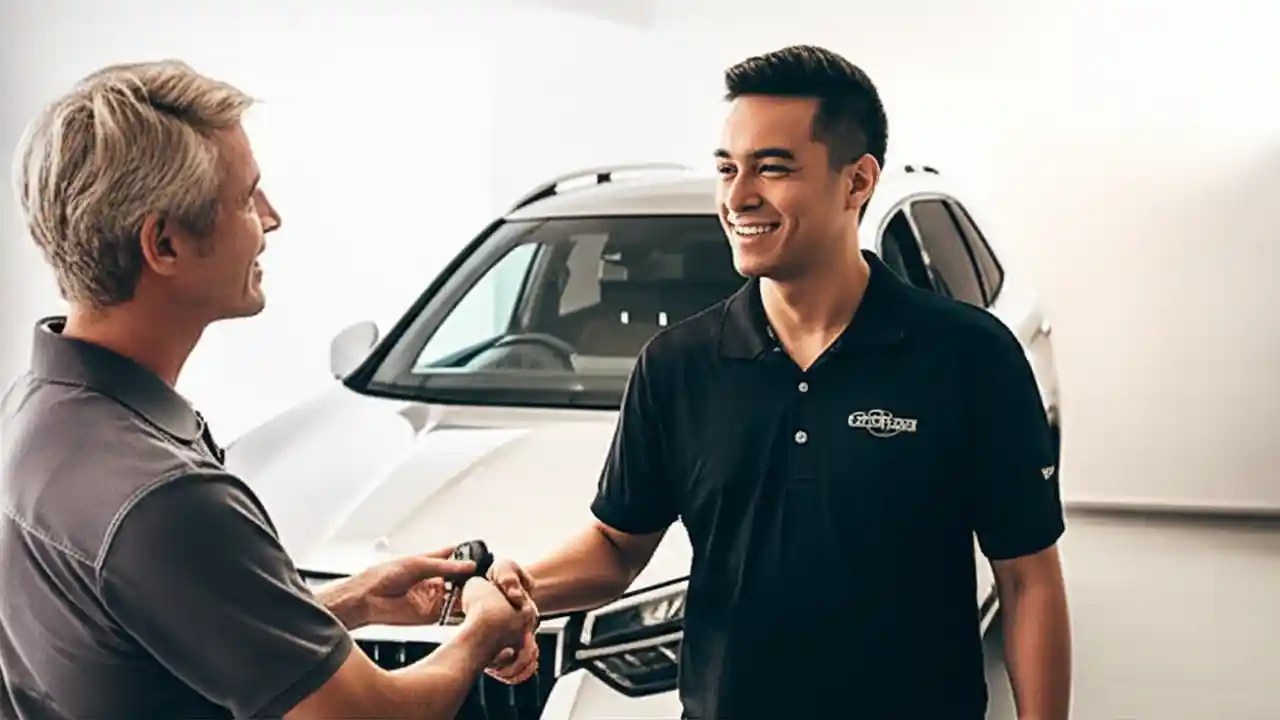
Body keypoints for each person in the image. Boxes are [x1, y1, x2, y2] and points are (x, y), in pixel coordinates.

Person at [481, 45, 1072, 719]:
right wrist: (525, 588)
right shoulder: (677, 365)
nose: (737, 197)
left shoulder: (969, 356)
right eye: (727, 169)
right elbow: (617, 546)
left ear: (857, 182)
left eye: (772, 168)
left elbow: (1026, 581)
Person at [0, 60, 538, 720]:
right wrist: (483, 629)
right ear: (163, 243)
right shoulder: (165, 499)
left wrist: (356, 599)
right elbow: (372, 717)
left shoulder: (35, 410)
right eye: (246, 198)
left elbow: (155, 643)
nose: (271, 219)